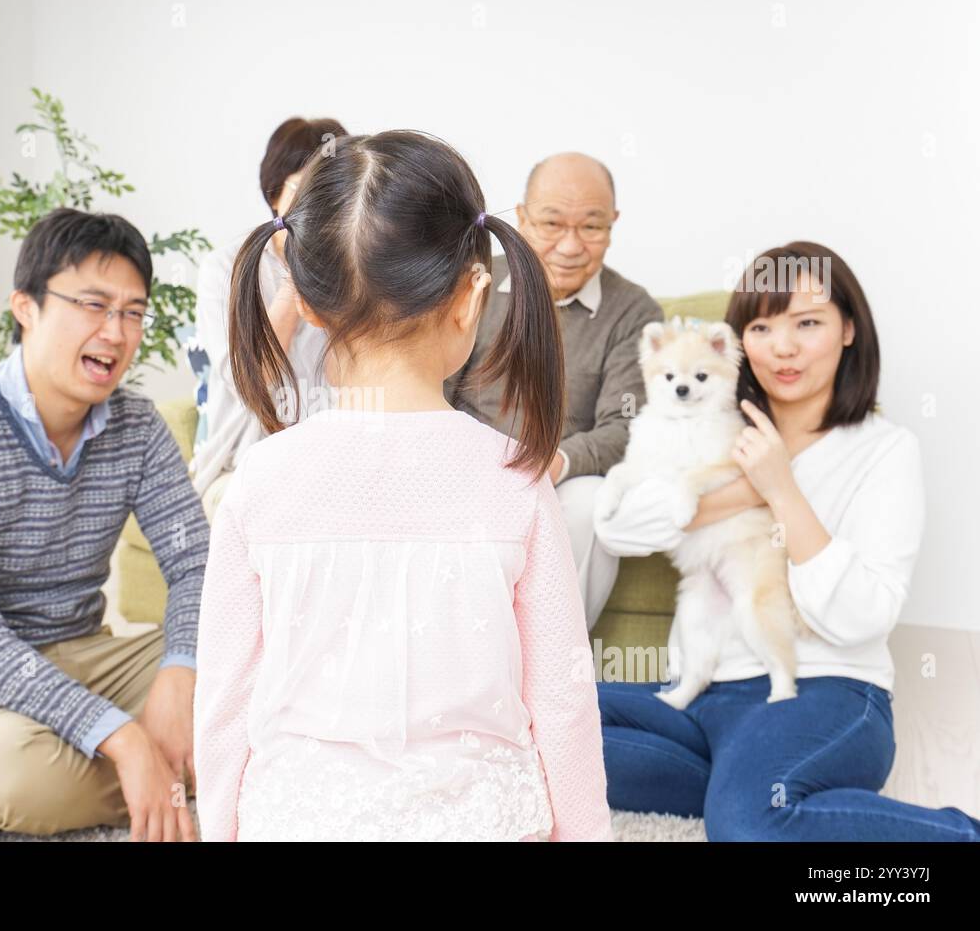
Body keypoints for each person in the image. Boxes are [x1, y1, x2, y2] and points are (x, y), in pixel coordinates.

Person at [191, 130, 613, 842]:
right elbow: (563, 698)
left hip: (298, 823)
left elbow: (225, 701)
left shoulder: (260, 479)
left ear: (313, 304)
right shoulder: (515, 475)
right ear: (471, 298)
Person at [594, 241, 980, 840]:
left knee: (750, 826)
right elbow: (616, 528)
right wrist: (741, 491)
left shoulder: (884, 449)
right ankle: (742, 779)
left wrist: (782, 491)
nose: (784, 347)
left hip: (824, 690)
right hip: (699, 695)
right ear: (741, 341)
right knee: (549, 717)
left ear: (849, 329)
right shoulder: (710, 424)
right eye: (763, 326)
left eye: (808, 323)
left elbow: (862, 616)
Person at [0, 208, 210, 841]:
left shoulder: (139, 429)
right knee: (15, 774)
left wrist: (181, 670)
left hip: (82, 653)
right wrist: (125, 739)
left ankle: (136, 758)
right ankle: (175, 767)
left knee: (256, 671)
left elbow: (198, 565)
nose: (116, 332)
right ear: (25, 308)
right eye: (93, 304)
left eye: (133, 312)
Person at [446, 152, 663, 629]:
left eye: (592, 227)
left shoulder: (634, 311)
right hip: (468, 472)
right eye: (551, 224)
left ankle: (552, 665)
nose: (571, 246)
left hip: (559, 482)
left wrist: (553, 463)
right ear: (521, 218)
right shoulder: (472, 282)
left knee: (590, 502)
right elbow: (433, 390)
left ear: (614, 224)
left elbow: (625, 426)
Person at [190, 116, 347, 521]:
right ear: (274, 192)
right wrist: (297, 277)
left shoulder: (352, 269)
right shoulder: (226, 268)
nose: (316, 206)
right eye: (304, 189)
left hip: (329, 464)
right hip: (239, 463)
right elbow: (248, 378)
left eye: (329, 192)